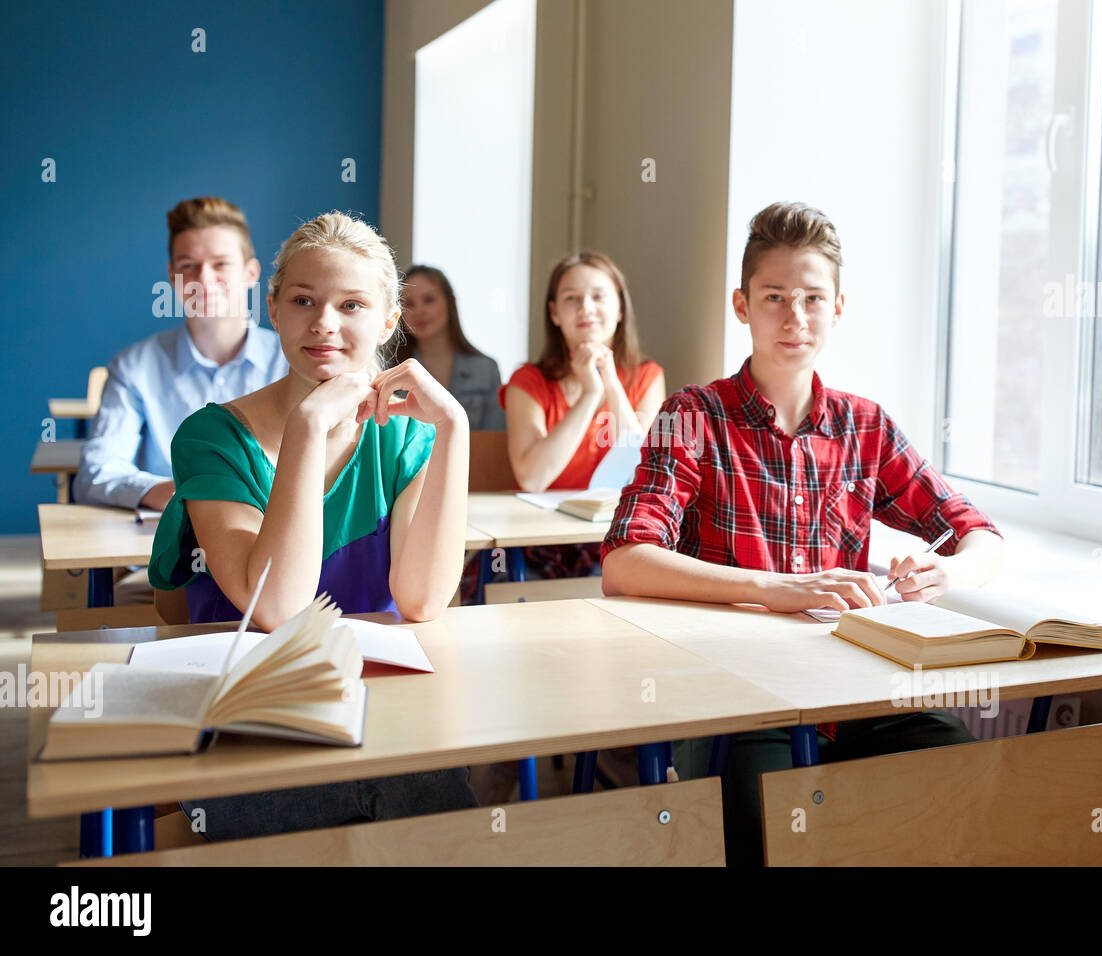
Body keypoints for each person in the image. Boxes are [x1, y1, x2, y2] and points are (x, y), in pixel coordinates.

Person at [600, 201, 1005, 866]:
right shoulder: (692, 415)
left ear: (838, 307)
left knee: (963, 778)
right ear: (742, 304)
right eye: (775, 297)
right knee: (776, 827)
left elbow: (980, 535)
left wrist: (949, 572)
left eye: (813, 299)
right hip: (736, 699)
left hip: (855, 690)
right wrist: (779, 589)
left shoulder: (865, 426)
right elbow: (626, 562)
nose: (795, 318)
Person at [147, 211, 475, 840]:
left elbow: (423, 599)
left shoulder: (409, 438)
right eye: (303, 300)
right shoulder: (212, 437)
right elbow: (276, 605)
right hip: (248, 718)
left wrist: (452, 429)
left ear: (388, 321)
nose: (324, 323)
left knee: (418, 791)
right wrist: (306, 427)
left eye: (352, 304)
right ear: (273, 308)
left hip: (378, 710)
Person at [74, 197, 288, 513]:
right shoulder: (135, 367)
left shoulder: (289, 362)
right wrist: (165, 491)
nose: (203, 279)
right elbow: (95, 473)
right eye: (188, 266)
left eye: (221, 264)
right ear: (172, 275)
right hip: (168, 544)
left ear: (251, 272)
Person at [493, 250, 665, 582]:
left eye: (599, 297)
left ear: (619, 309)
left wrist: (610, 383)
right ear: (555, 313)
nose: (586, 308)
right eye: (572, 298)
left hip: (614, 533)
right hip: (538, 540)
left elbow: (640, 466)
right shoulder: (527, 380)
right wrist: (590, 395)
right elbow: (533, 478)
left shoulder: (647, 375)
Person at [387, 265, 505, 430]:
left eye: (429, 300)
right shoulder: (388, 371)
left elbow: (494, 440)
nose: (419, 310)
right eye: (409, 304)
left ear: (450, 302)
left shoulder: (486, 370)